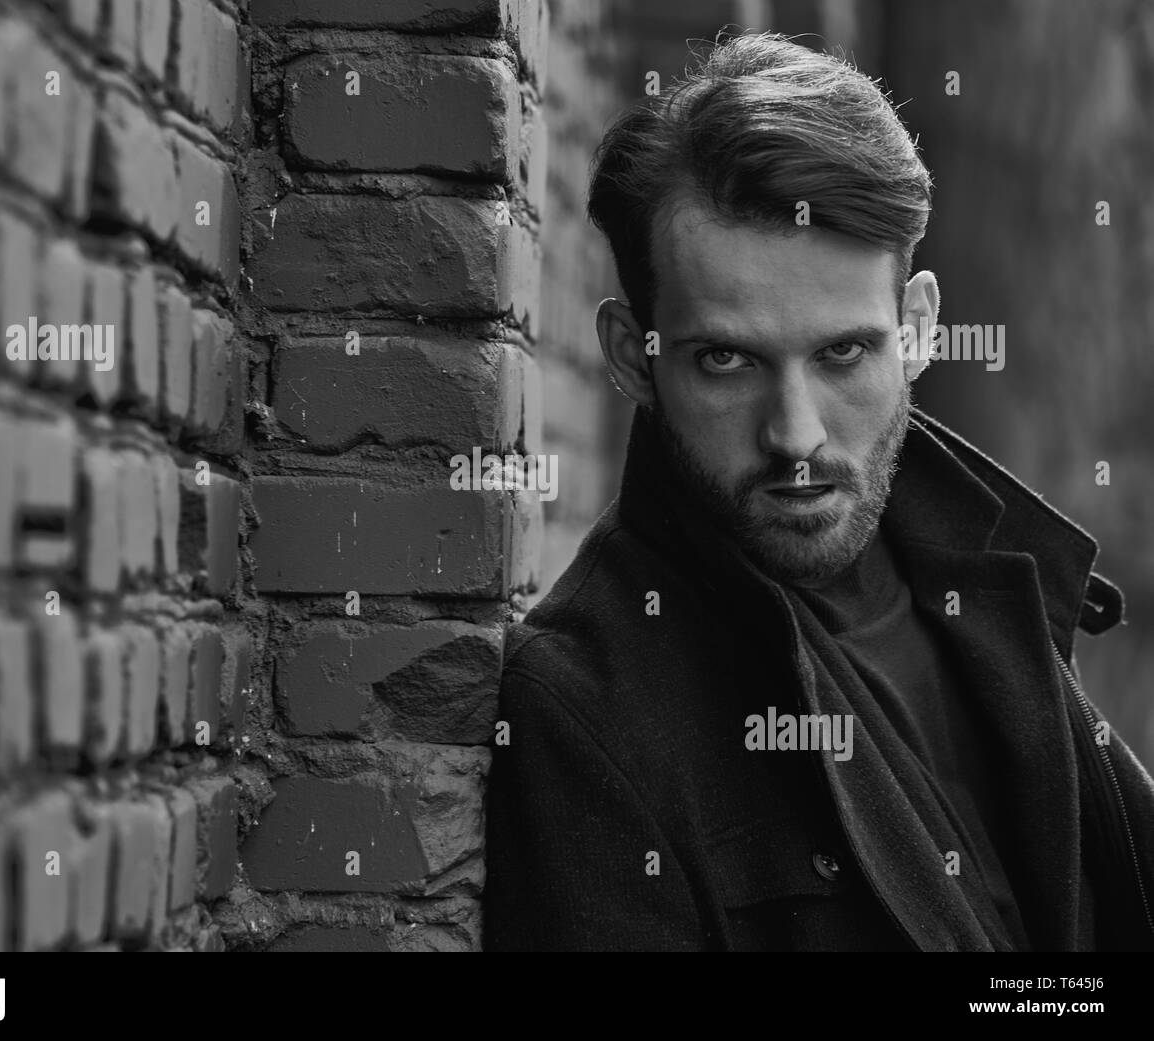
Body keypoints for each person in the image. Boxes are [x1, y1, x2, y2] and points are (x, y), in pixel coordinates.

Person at [483, 31, 1154, 952]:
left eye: (842, 352)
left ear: (915, 329)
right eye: (727, 359)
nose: (794, 434)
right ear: (629, 358)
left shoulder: (1000, 577)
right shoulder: (583, 716)